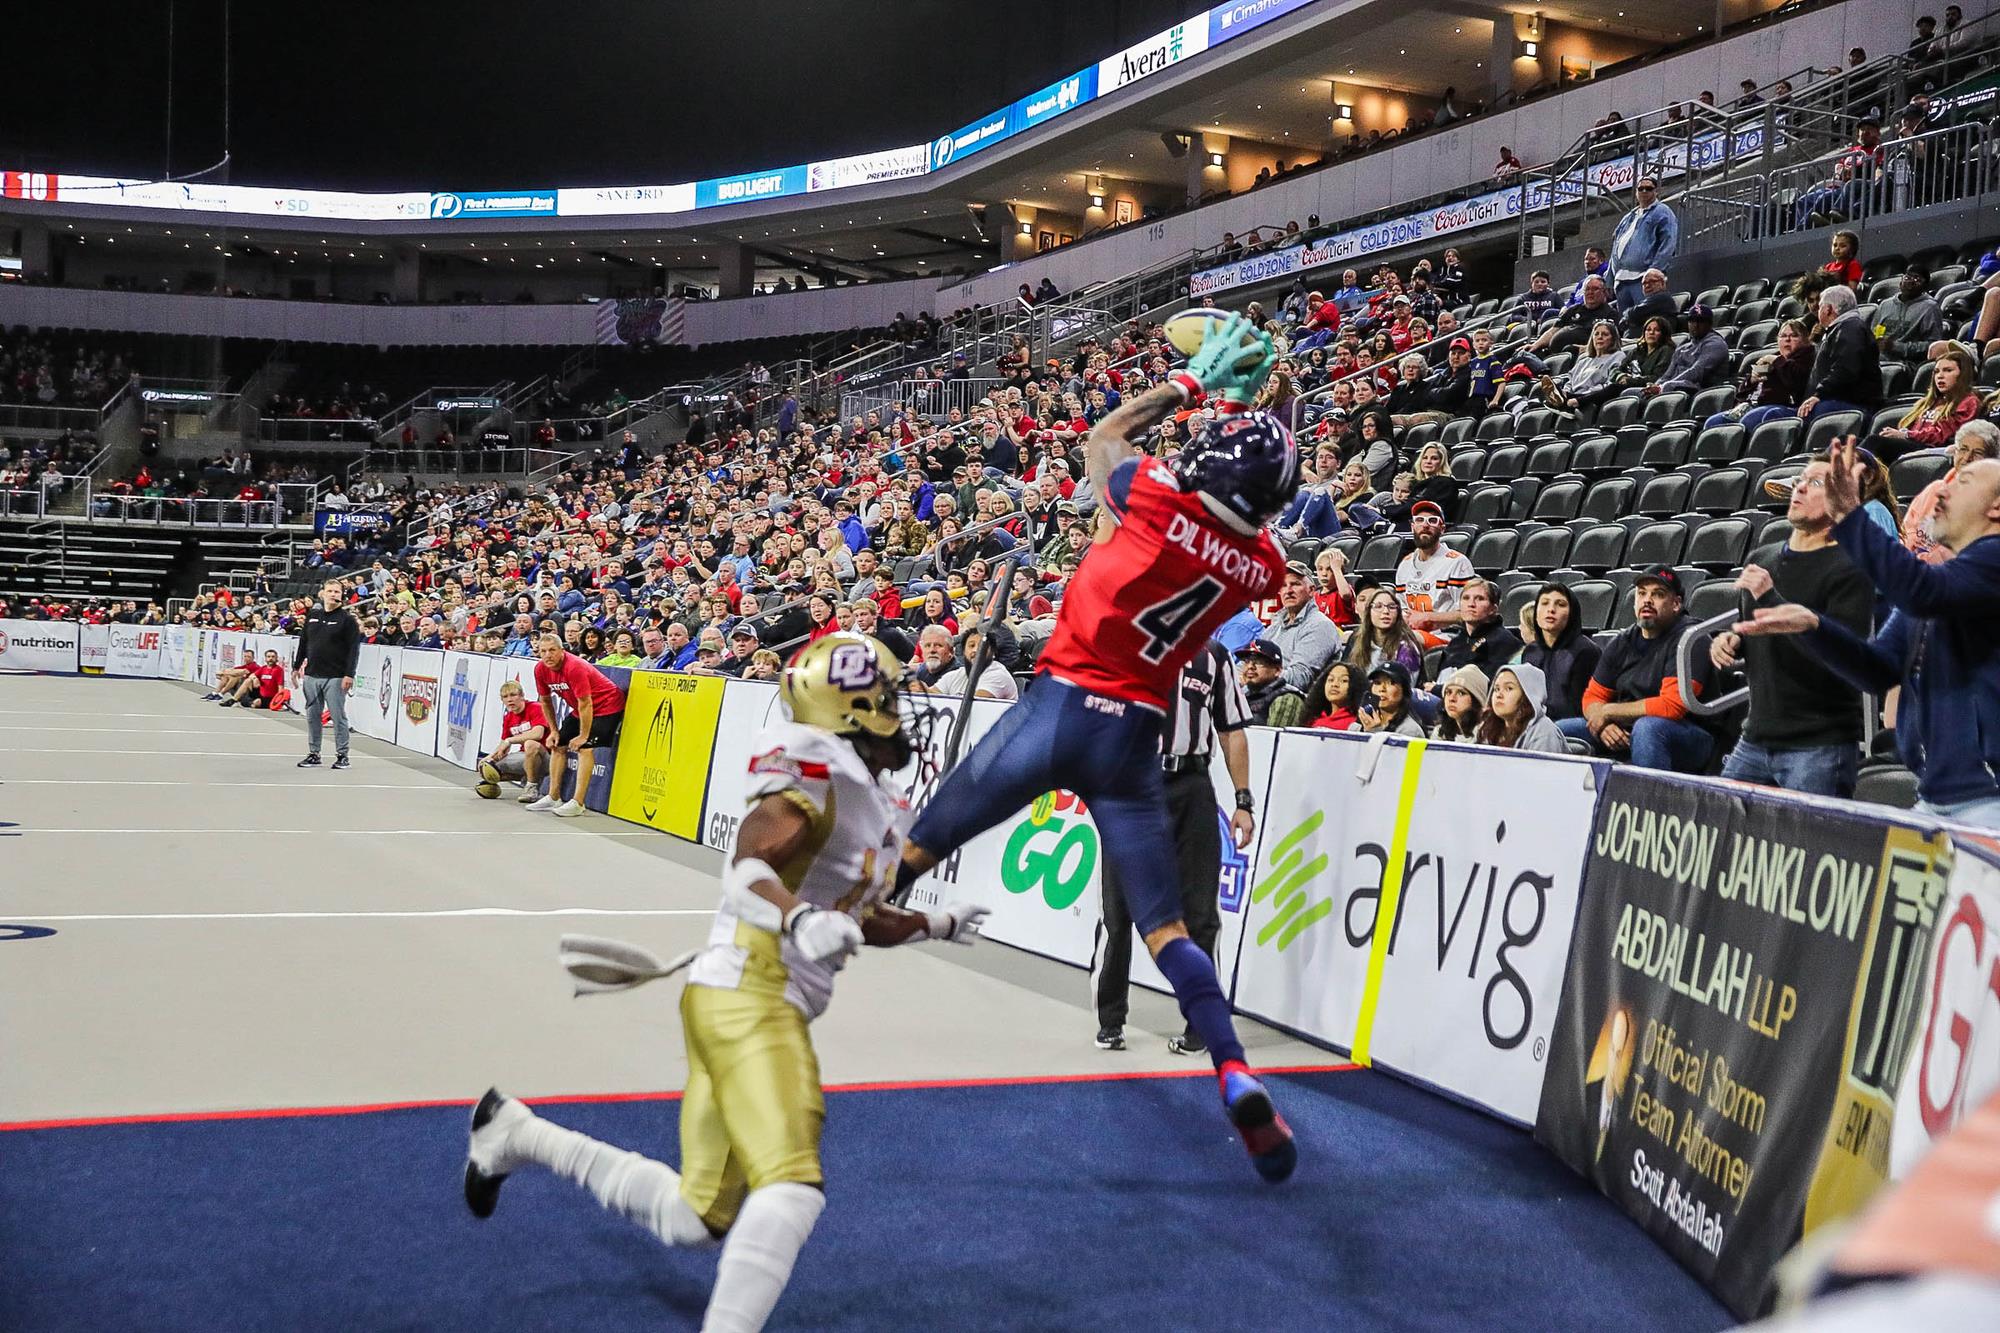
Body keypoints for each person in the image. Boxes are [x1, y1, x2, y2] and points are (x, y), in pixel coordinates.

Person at [464, 634, 989, 1333]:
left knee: (694, 1217)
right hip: (753, 992)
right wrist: (799, 918)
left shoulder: (868, 794)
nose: (899, 709)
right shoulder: (815, 762)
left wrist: (939, 923)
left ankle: (517, 1133)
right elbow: (747, 867)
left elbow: (860, 917)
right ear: (848, 707)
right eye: (886, 695)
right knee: (794, 1189)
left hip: (736, 995)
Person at [892, 313, 1302, 1183]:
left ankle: (793, 947)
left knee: (917, 847)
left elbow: (1106, 434)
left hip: (1058, 706)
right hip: (1135, 742)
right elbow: (1267, 489)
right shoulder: (1259, 564)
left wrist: (1192, 387)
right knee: (1167, 929)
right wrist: (1272, 411)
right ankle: (1233, 1068)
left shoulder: (1156, 497)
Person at [1736, 438, 2000, 827]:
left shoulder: (1992, 563)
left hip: (1986, 802)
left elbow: (1921, 592)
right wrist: (1815, 626)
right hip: (1933, 797)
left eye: (1963, 481)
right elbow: (1877, 670)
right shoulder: (1943, 584)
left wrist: (1847, 514)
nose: (1941, 488)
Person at [1093, 640, 1258, 1055]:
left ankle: (1200, 1024)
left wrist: (1243, 801)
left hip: (1191, 785)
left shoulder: (1214, 656)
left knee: (1201, 913)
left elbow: (1232, 729)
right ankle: (1110, 1018)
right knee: (1119, 913)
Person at [1708, 458, 1873, 797]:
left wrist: (1769, 597)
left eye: (1815, 484)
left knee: (1814, 847)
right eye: (1800, 479)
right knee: (1723, 839)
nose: (1798, 487)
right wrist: (1732, 640)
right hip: (1755, 735)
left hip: (1818, 744)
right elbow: (1755, 629)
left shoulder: (1851, 567)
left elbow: (1842, 657)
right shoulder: (1762, 556)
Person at [1557, 567, 1716, 772]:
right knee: (1560, 730)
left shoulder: (1693, 639)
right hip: (1627, 729)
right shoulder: (1622, 641)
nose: (1647, 600)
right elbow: (1592, 697)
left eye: (1658, 594)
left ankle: (1649, 802)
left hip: (1690, 735)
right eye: (1642, 593)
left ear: (1676, 604)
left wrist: (1608, 711)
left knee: (1648, 728)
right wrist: (1603, 725)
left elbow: (1672, 706)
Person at [527, 631, 626, 818]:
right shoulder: (540, 669)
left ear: (562, 651)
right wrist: (554, 731)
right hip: (580, 709)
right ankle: (553, 796)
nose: (548, 655)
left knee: (585, 748)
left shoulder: (574, 667)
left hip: (607, 705)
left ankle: (578, 802)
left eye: (552, 650)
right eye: (543, 651)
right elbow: (546, 701)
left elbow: (586, 703)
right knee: (558, 745)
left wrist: (583, 735)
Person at [1866, 346, 1981, 464]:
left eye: (1948, 370)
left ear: (1962, 374)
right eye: (1936, 371)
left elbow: (1942, 435)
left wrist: (1906, 435)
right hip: (1915, 444)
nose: (1940, 376)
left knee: (1875, 442)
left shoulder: (1968, 401)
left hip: (1934, 450)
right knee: (1848, 440)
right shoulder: (1929, 402)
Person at [1905, 421, 2000, 563]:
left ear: (1991, 460)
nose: (1967, 458)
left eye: (1978, 453)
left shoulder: (1991, 502)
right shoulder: (1934, 490)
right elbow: (1907, 530)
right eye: (1963, 449)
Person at [292, 578, 360, 771]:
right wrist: (296, 667)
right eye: (330, 591)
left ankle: (342, 755)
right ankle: (314, 753)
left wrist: (349, 674)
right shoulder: (312, 615)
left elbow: (353, 650)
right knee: (313, 716)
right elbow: (304, 642)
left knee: (338, 717)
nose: (333, 594)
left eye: (337, 592)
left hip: (336, 676)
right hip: (312, 675)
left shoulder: (347, 620)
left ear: (341, 595)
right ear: (322, 593)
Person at [1799, 285, 1884, 426]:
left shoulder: (1851, 328)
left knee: (1813, 412)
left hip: (1853, 405)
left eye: (1820, 306)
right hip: (1835, 400)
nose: (1818, 311)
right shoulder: (1842, 328)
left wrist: (1819, 395)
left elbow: (1846, 368)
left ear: (1828, 309)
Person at [1515, 581, 1601, 722]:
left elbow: (1579, 708)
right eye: (1544, 603)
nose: (1551, 609)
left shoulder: (1586, 651)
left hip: (1573, 723)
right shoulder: (1531, 651)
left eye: (1560, 604)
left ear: (1572, 613)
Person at [1711, 319, 1816, 432]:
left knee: (1750, 419)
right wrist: (1752, 380)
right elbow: (1740, 394)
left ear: (1805, 340)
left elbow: (1795, 381)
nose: (1787, 340)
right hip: (1750, 405)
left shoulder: (1807, 356)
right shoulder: (1773, 358)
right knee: (1714, 422)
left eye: (1794, 336)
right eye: (1783, 336)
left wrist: (1776, 361)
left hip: (1782, 406)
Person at [1393, 501, 1474, 648]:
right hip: (1410, 632)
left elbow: (1468, 612)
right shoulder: (1405, 564)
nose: (1425, 525)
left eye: (1432, 521)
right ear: (1412, 527)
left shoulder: (1457, 563)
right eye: (1419, 520)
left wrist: (1428, 617)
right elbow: (1402, 607)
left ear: (1442, 529)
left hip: (1447, 637)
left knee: (1403, 641)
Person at [1265, 561, 1341, 692]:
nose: (1288, 591)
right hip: (1264, 695)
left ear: (1311, 590)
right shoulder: (1275, 626)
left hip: (1295, 702)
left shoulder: (1320, 625)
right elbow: (1247, 663)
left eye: (1295, 584)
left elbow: (1299, 679)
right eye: (1283, 586)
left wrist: (1259, 677)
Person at [1434, 579, 1522, 684]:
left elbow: (1487, 686)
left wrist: (1437, 689)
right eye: (1466, 598)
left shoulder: (1503, 641)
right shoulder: (1455, 643)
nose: (1471, 604)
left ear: (1493, 609)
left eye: (1480, 599)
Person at [1608, 178, 1678, 311]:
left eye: (1649, 188)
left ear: (1656, 191)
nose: (1644, 191)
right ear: (1636, 192)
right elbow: (1616, 246)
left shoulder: (1663, 212)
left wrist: (1655, 270)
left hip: (1643, 278)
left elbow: (1668, 242)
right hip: (1621, 281)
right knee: (1626, 322)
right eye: (1641, 188)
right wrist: (1609, 279)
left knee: (1645, 318)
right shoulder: (1628, 217)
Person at [479, 679, 549, 802]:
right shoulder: (508, 718)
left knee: (530, 744)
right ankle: (524, 778)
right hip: (524, 758)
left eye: (513, 695)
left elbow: (538, 734)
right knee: (488, 767)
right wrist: (489, 758)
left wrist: (510, 740)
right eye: (505, 697)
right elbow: (503, 745)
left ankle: (532, 788)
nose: (509, 699)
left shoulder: (536, 708)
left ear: (522, 696)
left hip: (547, 757)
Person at [1475, 663, 1569, 753]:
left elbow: (1540, 769)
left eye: (1509, 688)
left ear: (1528, 696)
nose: (1499, 695)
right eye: (1496, 689)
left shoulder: (1544, 731)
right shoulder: (1489, 728)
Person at [1642, 304, 1729, 395]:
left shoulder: (1716, 344)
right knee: (1632, 392)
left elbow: (1697, 372)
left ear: (1710, 324)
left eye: (1701, 321)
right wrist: (1655, 386)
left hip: (1703, 391)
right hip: (1675, 387)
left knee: (1668, 386)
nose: (1695, 325)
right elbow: (1667, 375)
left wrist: (1662, 387)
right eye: (1692, 321)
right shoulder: (1683, 347)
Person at [1873, 269, 1946, 365]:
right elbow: (1874, 333)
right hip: (1879, 359)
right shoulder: (1885, 305)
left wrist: (1896, 347)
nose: (1911, 282)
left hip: (1907, 364)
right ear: (1900, 282)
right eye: (1907, 278)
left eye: (1917, 280)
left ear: (1925, 287)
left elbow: (1933, 346)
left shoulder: (1930, 308)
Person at [1360, 661, 1426, 736]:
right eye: (1377, 683)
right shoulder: (1361, 724)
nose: (1382, 689)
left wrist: (1374, 732)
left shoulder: (1411, 731)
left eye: (1391, 683)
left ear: (1404, 690)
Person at [1303, 659, 1365, 730]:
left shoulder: (1356, 724)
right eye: (1330, 680)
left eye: (1344, 680)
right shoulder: (1311, 720)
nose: (1334, 685)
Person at [1433, 665, 1487, 742]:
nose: (1452, 698)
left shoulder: (1485, 736)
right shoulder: (1439, 732)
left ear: (1476, 700)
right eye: (1448, 692)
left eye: (1461, 693)